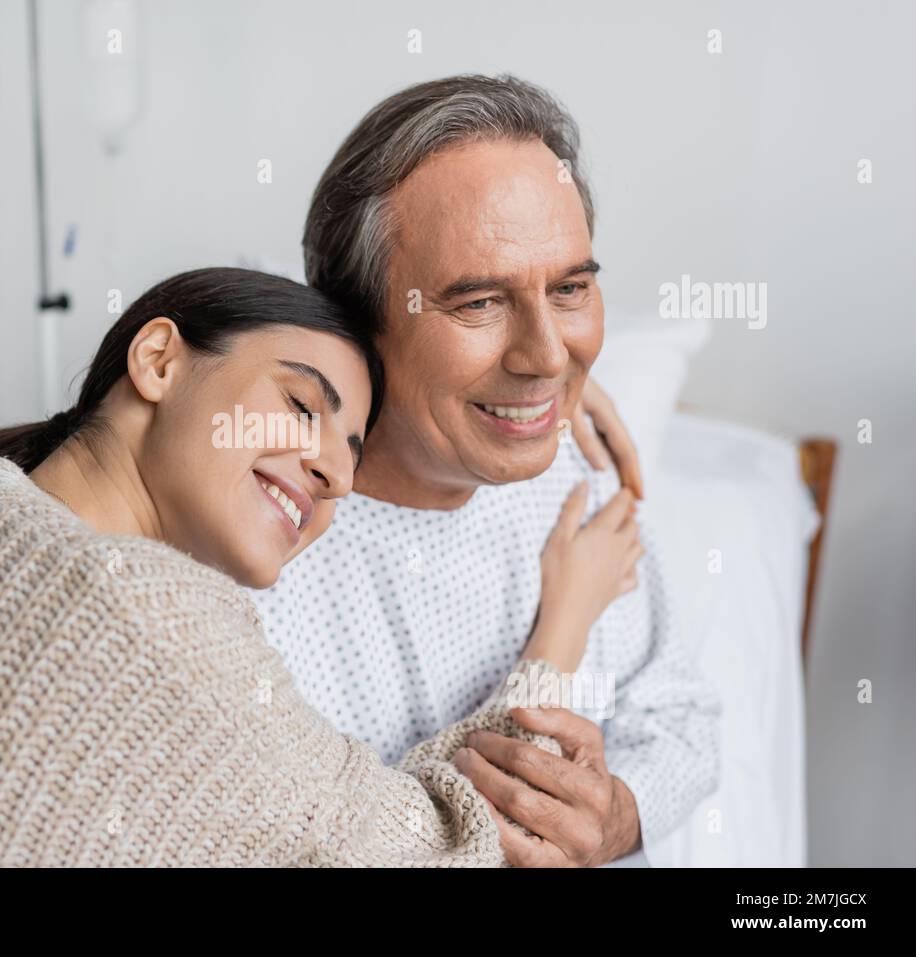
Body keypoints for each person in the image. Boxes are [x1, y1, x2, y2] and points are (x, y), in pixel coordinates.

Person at [0, 267, 640, 867]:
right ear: (157, 359)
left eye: (351, 452)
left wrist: (528, 381)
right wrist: (566, 619)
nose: (333, 468)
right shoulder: (139, 617)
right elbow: (441, 848)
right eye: (301, 404)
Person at [254, 75, 721, 866]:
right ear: (354, 323)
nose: (546, 356)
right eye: (478, 303)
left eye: (570, 288)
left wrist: (618, 812)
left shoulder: (585, 464)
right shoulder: (263, 542)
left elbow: (681, 713)